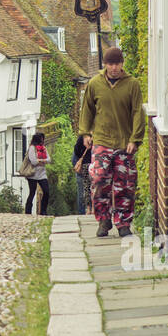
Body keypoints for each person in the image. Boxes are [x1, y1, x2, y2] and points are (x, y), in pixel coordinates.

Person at [78, 45, 146, 239]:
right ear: (105, 65)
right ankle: (103, 220)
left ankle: (123, 223)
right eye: (110, 64)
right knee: (99, 180)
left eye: (117, 63)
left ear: (122, 64)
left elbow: (137, 113)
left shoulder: (131, 84)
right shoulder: (95, 84)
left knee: (124, 185)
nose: (114, 67)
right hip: (101, 140)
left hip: (124, 143)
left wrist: (135, 139)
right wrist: (85, 133)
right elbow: (87, 109)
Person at [23, 130, 50, 216]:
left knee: (46, 192)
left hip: (42, 174)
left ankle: (43, 211)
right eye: (42, 139)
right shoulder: (32, 148)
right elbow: (33, 161)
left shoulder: (43, 148)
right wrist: (43, 161)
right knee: (32, 193)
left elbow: (49, 160)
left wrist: (40, 161)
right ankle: (28, 211)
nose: (43, 141)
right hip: (32, 174)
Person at [72, 132, 92, 215]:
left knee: (87, 188)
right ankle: (83, 211)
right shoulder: (83, 137)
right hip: (85, 165)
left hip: (88, 164)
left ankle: (89, 210)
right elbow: (76, 151)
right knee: (84, 188)